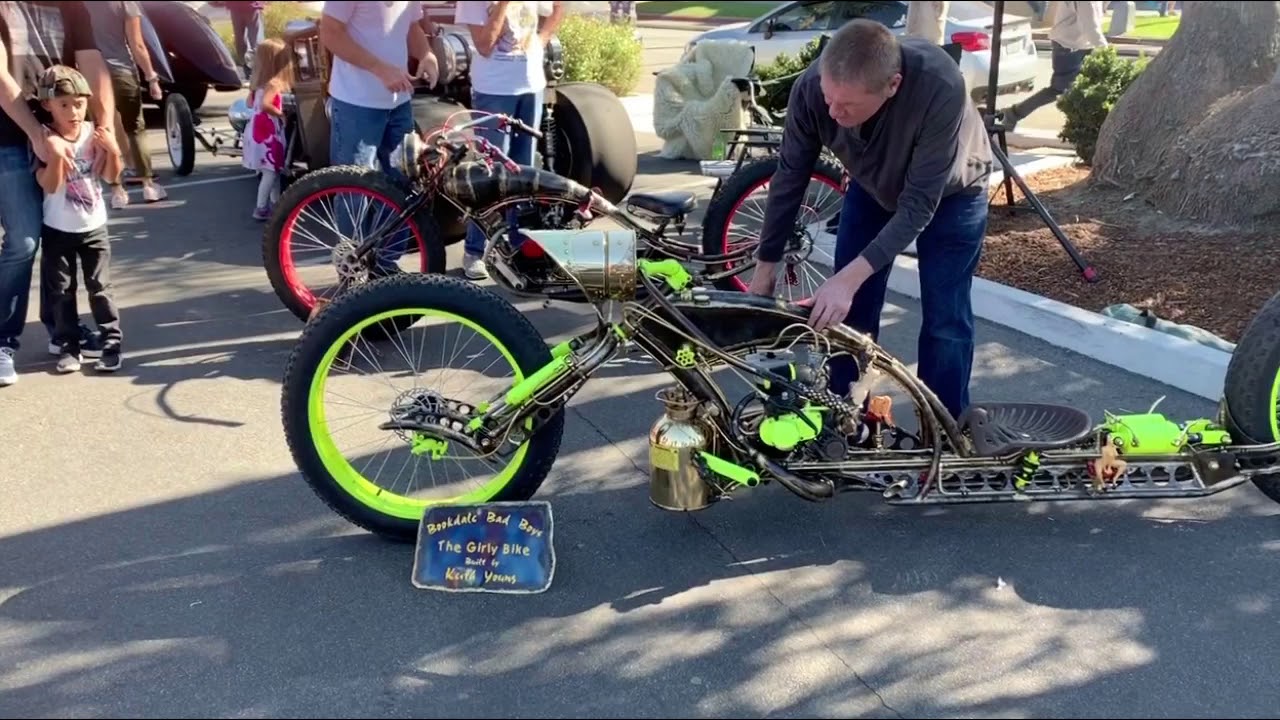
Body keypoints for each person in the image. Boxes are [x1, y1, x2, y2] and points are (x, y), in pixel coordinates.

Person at [747, 19, 992, 420]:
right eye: (829, 99)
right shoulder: (813, 89)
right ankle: (844, 418)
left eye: (847, 106)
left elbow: (917, 207)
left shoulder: (939, 86)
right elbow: (790, 176)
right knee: (851, 311)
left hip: (952, 194)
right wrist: (765, 267)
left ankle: (946, 429)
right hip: (872, 185)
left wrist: (845, 277)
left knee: (944, 317)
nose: (832, 111)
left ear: (892, 86)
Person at [0, 0, 116, 387]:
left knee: (59, 233)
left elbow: (95, 68)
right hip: (12, 134)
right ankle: (3, 340)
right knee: (23, 242)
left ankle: (62, 332)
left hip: (63, 133)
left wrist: (105, 130)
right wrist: (40, 135)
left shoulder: (72, 6)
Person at [455, 0, 565, 281]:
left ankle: (518, 246)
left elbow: (557, 7)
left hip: (530, 86)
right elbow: (484, 44)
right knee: (489, 174)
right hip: (494, 89)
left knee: (523, 172)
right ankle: (475, 251)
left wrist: (541, 41)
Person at [34, 65, 123, 373]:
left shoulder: (93, 133)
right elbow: (51, 185)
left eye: (79, 103)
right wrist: (57, 155)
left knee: (100, 286)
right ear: (48, 105)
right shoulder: (45, 138)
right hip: (58, 228)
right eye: (64, 104)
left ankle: (111, 340)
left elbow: (111, 176)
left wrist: (113, 151)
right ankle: (68, 345)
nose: (73, 111)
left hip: (94, 227)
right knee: (62, 291)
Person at [319, 1, 437, 177]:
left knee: (405, 184)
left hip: (400, 103)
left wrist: (425, 54)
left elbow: (412, 26)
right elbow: (330, 33)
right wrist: (380, 69)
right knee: (356, 191)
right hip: (356, 105)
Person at [85, 0, 167, 207]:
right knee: (135, 127)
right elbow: (137, 44)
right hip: (122, 70)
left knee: (104, 128)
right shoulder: (126, 4)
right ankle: (148, 185)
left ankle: (116, 190)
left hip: (91, 72)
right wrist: (151, 77)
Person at [997, 1, 1106, 132]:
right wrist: (1106, 51)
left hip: (1080, 44)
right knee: (1060, 90)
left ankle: (1084, 127)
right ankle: (1013, 114)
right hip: (1069, 45)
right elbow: (1091, 26)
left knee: (1083, 90)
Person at [242, 37, 294, 220]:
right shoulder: (274, 83)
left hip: (256, 130)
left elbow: (250, 104)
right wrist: (281, 114)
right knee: (271, 173)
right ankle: (262, 207)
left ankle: (276, 204)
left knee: (271, 171)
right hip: (268, 133)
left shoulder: (257, 84)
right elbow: (265, 105)